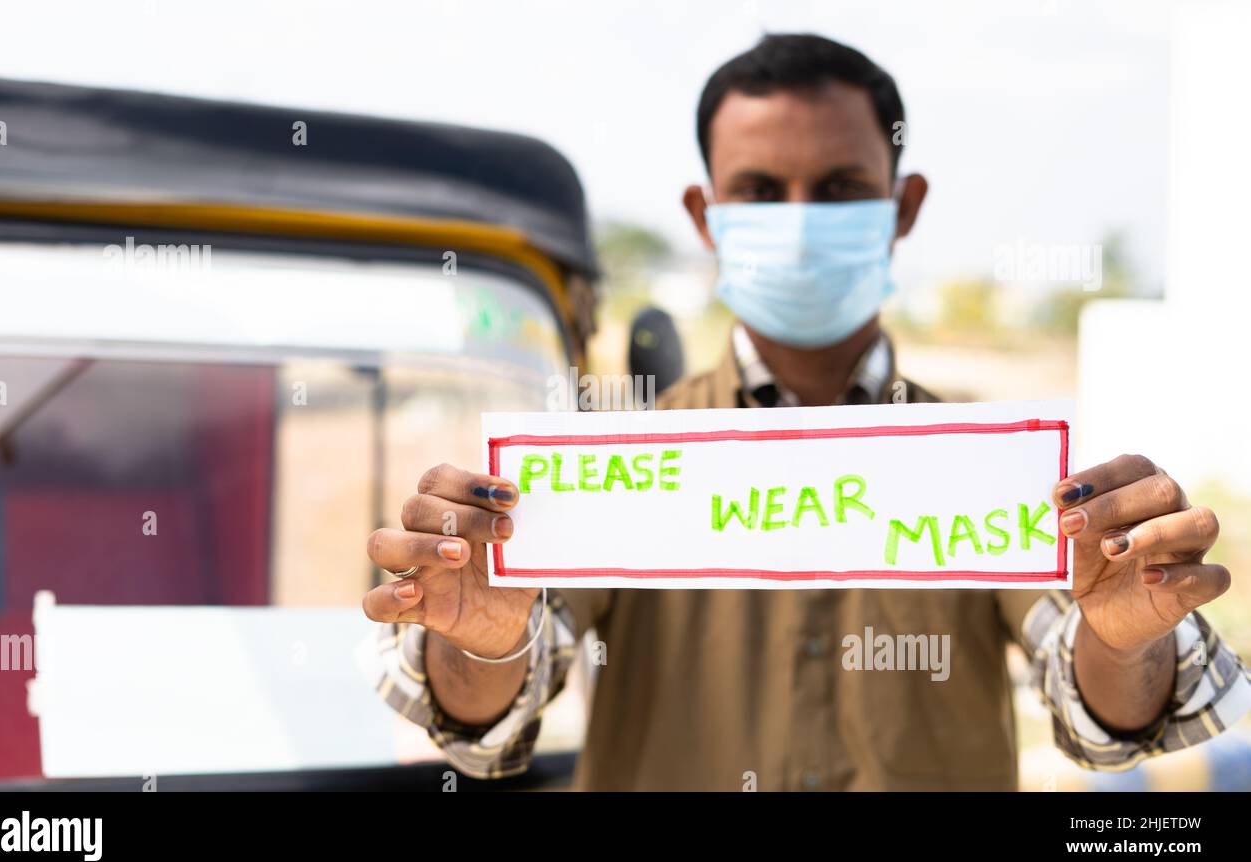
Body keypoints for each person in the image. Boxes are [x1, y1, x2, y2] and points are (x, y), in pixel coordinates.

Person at [361, 33, 1250, 790]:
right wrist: (475, 644)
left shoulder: (997, 468)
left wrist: (1128, 641)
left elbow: (1093, 691)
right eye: (758, 190)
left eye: (835, 189)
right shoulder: (608, 466)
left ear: (903, 208)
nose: (797, 219)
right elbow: (502, 681)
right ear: (705, 217)